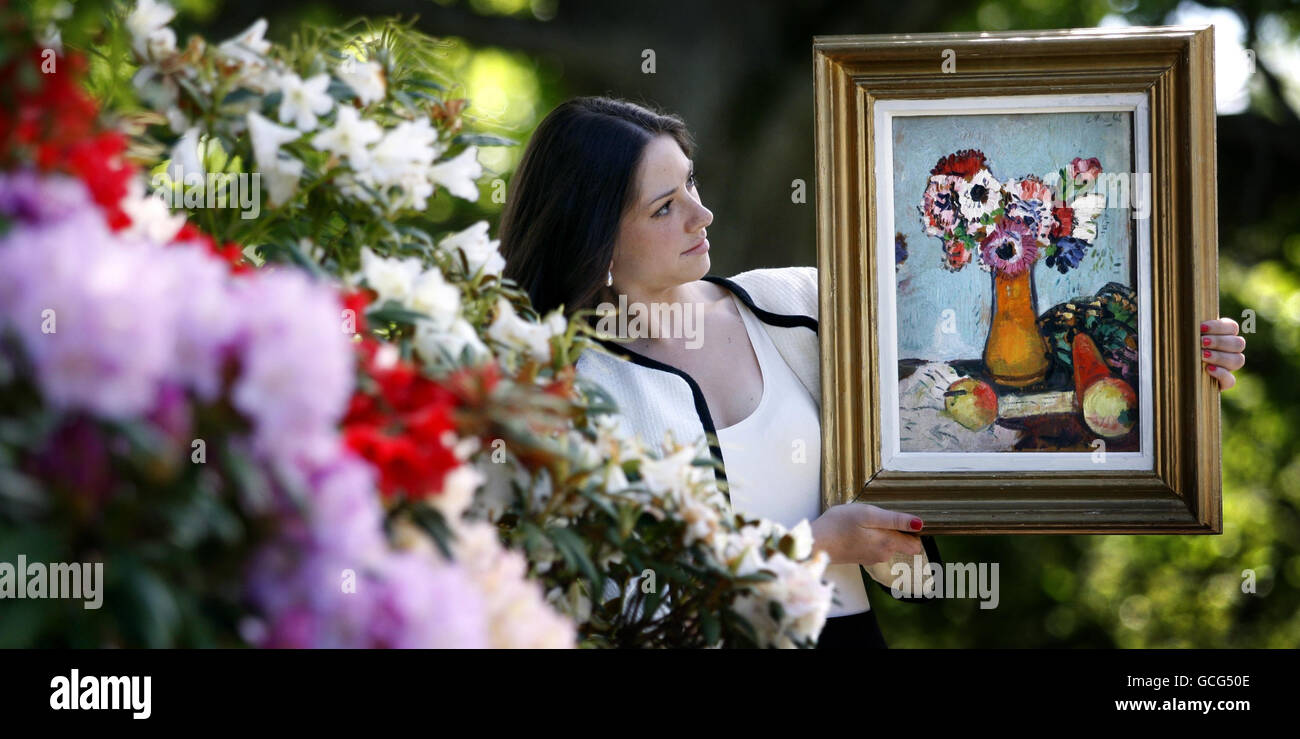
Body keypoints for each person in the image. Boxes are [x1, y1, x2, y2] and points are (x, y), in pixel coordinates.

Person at [499, 96, 1247, 648]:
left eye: (692, 183)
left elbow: (989, 374)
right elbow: (597, 600)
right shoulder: (554, 389)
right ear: (595, 233)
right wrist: (817, 546)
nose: (703, 215)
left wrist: (1173, 354)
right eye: (666, 206)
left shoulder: (798, 302)